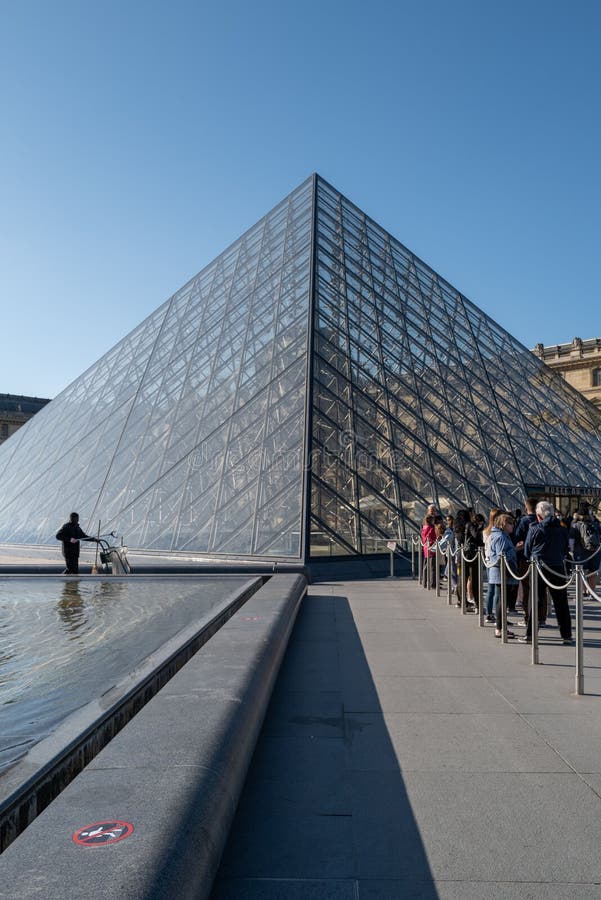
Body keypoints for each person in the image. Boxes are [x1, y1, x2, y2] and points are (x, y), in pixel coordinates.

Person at [521, 501, 573, 645]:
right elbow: (565, 550)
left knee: (536, 601)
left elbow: (527, 551)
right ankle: (567, 635)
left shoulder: (534, 529)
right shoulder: (562, 530)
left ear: (538, 516)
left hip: (539, 568)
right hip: (557, 568)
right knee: (561, 603)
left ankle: (531, 634)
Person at [514, 498, 545, 625]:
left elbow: (516, 538)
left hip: (525, 559)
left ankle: (528, 617)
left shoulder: (523, 521)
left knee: (527, 588)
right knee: (541, 589)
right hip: (541, 560)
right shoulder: (543, 521)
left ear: (526, 508)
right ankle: (541, 617)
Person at [487, 512, 518, 638]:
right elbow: (502, 556)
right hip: (502, 572)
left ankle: (500, 627)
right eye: (510, 524)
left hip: (499, 572)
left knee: (502, 600)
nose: (513, 526)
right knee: (502, 601)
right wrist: (515, 550)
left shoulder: (499, 535)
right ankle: (499, 628)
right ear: (504, 524)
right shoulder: (500, 537)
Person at [569, 502, 601, 594]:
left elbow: (571, 540)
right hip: (595, 552)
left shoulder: (575, 525)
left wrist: (571, 550)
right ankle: (591, 592)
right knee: (593, 572)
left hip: (580, 552)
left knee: (580, 572)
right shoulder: (595, 523)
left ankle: (582, 592)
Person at [421, 515, 437, 587]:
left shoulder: (424, 527)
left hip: (426, 548)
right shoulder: (431, 528)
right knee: (433, 567)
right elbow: (432, 537)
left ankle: (424, 582)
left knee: (426, 566)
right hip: (432, 548)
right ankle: (433, 583)